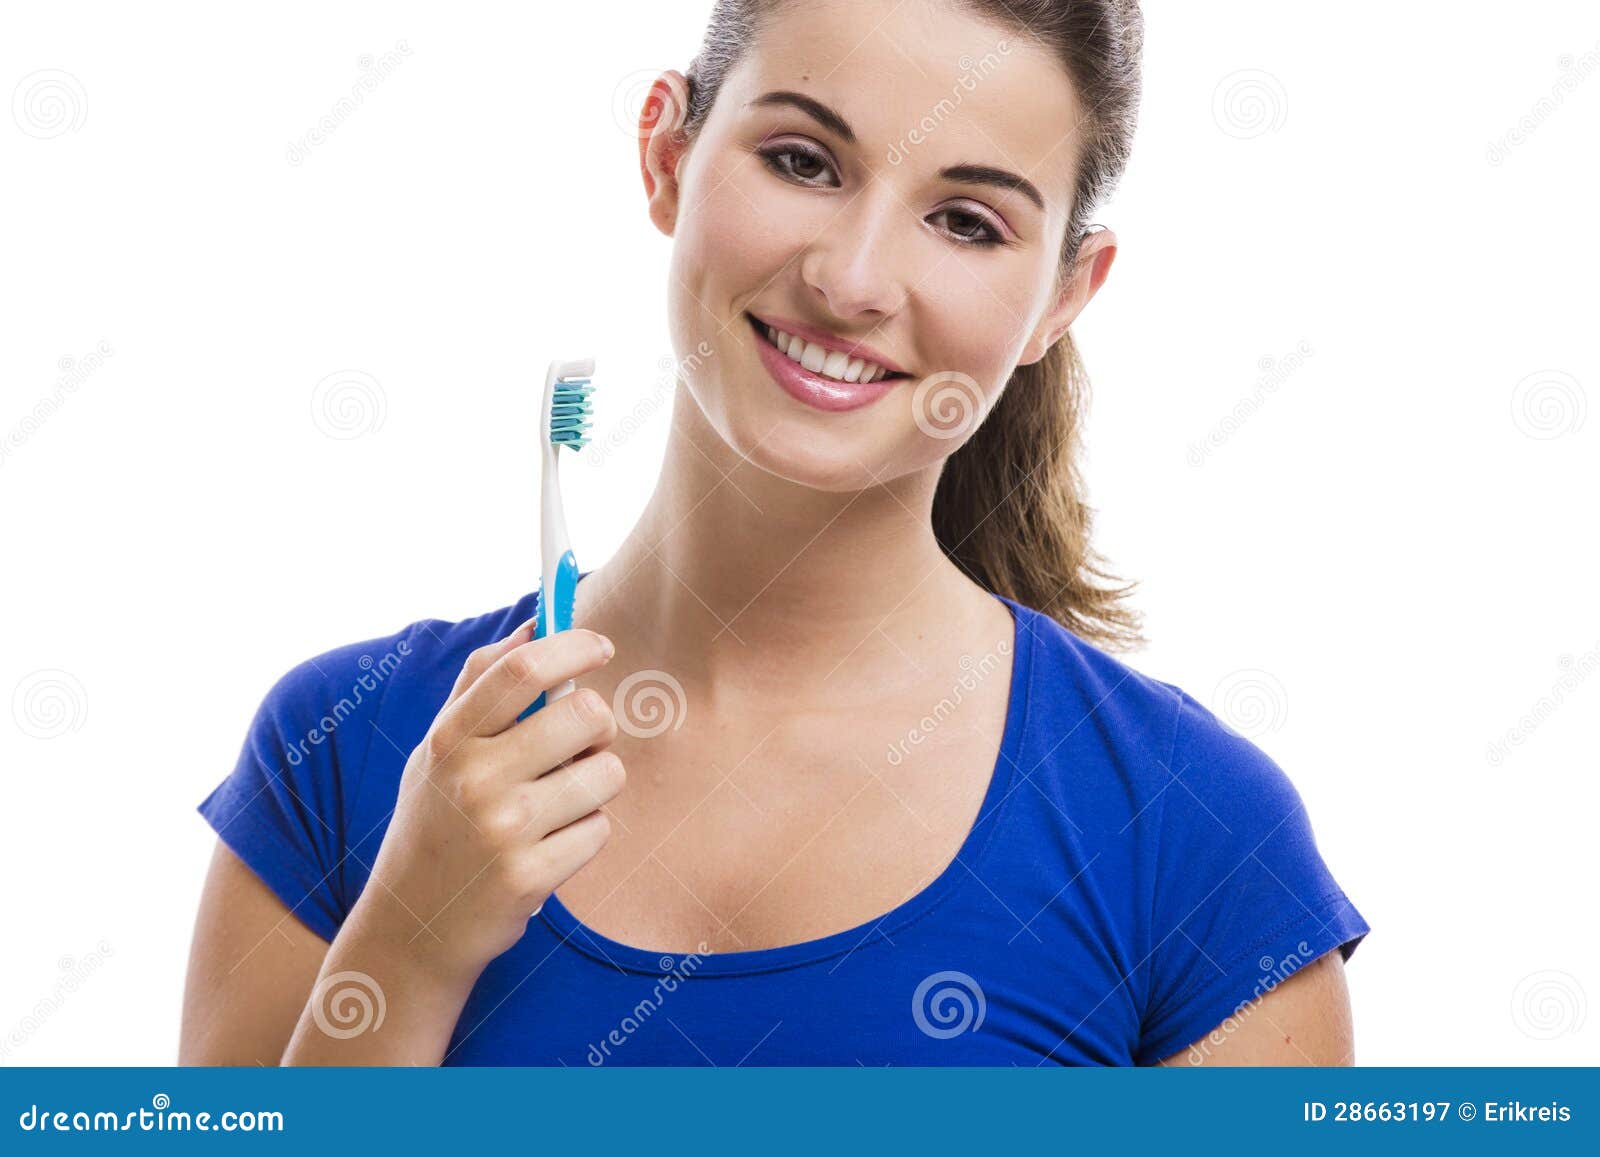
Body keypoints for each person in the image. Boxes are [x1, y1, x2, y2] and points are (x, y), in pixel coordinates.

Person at [182, 0, 1369, 1066]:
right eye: (802, 160)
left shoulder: (1194, 837)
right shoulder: (345, 750)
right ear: (666, 153)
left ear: (1064, 295)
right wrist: (406, 945)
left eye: (964, 222)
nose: (851, 279)